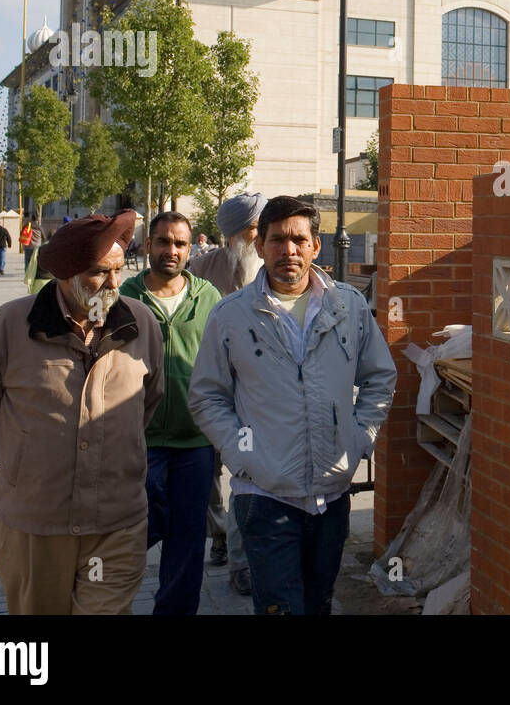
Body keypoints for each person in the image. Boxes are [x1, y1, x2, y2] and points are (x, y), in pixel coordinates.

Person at [189, 196, 396, 615]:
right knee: (281, 608)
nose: (289, 250)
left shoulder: (348, 307)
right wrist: (242, 450)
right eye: (278, 240)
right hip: (265, 495)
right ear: (260, 245)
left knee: (318, 603)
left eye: (299, 239)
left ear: (315, 246)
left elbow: (379, 378)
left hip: (331, 496)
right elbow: (208, 395)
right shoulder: (231, 315)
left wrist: (358, 440)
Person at [0, 210, 164, 615]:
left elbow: (148, 403)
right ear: (65, 274)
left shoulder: (142, 325)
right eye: (97, 273)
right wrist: (25, 470)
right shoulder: (3, 328)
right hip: (35, 526)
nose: (112, 285)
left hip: (117, 524)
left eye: (118, 271)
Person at [120, 211, 221, 615]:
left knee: (188, 539)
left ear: (191, 246)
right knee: (134, 529)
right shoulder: (124, 294)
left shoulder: (208, 297)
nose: (171, 251)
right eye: (163, 241)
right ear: (148, 245)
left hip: (195, 440)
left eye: (180, 243)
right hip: (138, 439)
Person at [188, 191, 267, 595]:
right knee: (208, 475)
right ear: (234, 235)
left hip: (256, 395)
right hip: (212, 391)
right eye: (253, 230)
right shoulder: (201, 270)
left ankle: (241, 561)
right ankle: (219, 534)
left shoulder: (275, 268)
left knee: (247, 475)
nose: (259, 238)